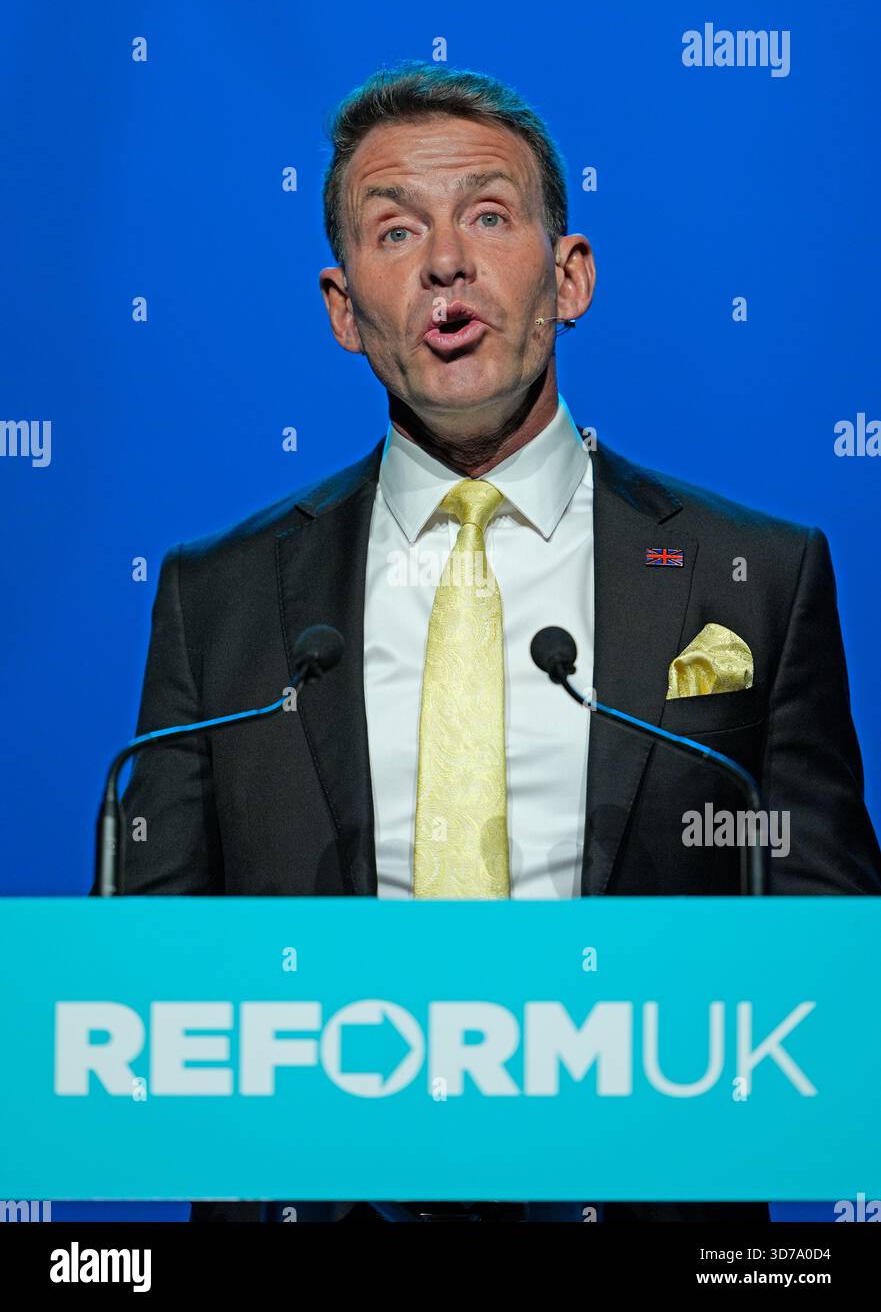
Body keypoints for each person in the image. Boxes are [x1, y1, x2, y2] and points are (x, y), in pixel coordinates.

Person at [113, 62, 881, 1223]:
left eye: (486, 214)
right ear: (341, 309)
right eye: (392, 229)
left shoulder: (756, 578)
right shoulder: (215, 597)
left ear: (566, 277)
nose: (443, 263)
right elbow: (150, 977)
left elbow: (827, 958)